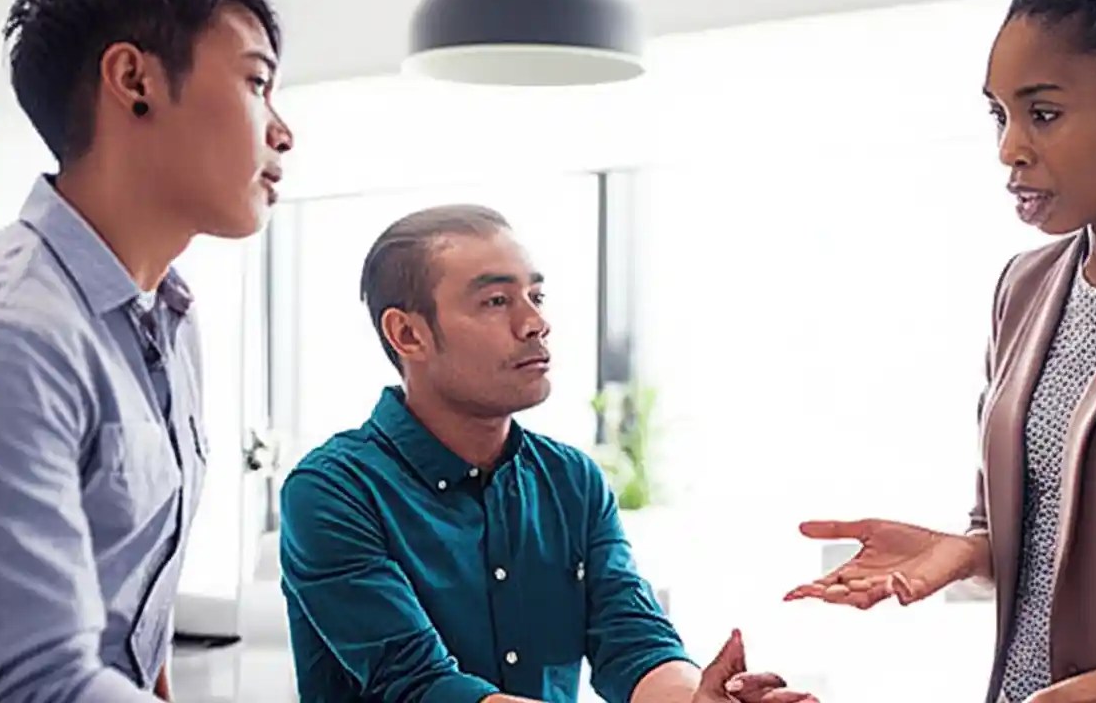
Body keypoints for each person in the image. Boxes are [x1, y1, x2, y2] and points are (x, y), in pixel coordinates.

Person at [785, 0, 1096, 701]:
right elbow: (1046, 531)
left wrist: (1090, 696)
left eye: (1043, 114)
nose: (1009, 149)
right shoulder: (1023, 288)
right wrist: (966, 551)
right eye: (1000, 115)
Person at [279, 205, 816, 703]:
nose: (534, 323)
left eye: (536, 296)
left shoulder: (571, 479)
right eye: (496, 301)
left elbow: (633, 642)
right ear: (408, 334)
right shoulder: (331, 491)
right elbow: (420, 685)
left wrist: (696, 699)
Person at [0, 0, 293, 700]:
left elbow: (128, 604)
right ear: (134, 80)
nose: (282, 132)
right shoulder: (14, 335)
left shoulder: (170, 319)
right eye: (256, 82)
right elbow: (36, 682)